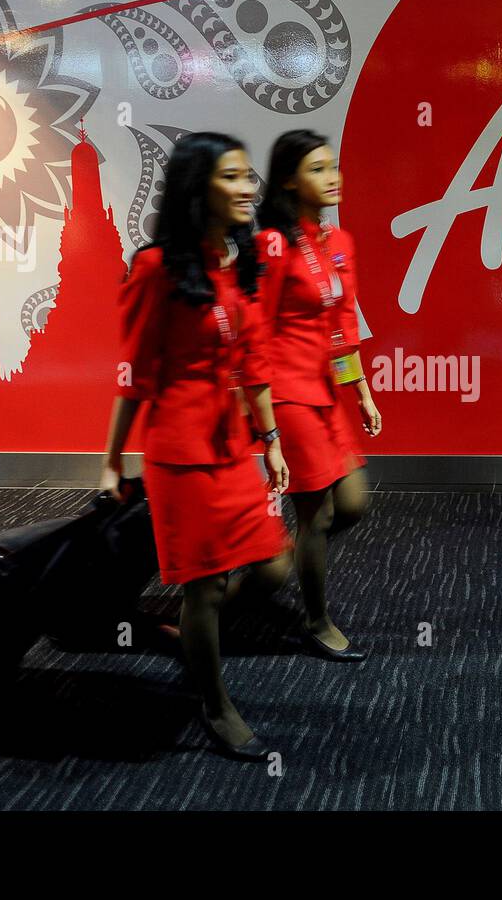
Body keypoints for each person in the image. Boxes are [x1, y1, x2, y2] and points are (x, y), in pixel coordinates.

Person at [100, 131, 292, 762]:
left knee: (271, 567)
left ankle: (192, 635)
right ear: (196, 187)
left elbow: (254, 361)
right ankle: (214, 702)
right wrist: (112, 459)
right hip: (179, 451)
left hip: (235, 443)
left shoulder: (239, 261)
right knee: (207, 584)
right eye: (231, 178)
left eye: (248, 178)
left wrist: (269, 439)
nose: (247, 189)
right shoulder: (157, 268)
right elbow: (135, 371)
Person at [254, 129, 381, 662]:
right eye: (317, 169)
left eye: (334, 166)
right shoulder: (273, 244)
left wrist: (364, 394)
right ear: (289, 180)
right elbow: (253, 331)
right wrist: (264, 423)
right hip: (287, 393)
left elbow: (341, 330)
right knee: (319, 514)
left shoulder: (340, 243)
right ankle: (316, 619)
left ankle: (266, 571)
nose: (333, 177)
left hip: (326, 392)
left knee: (352, 504)